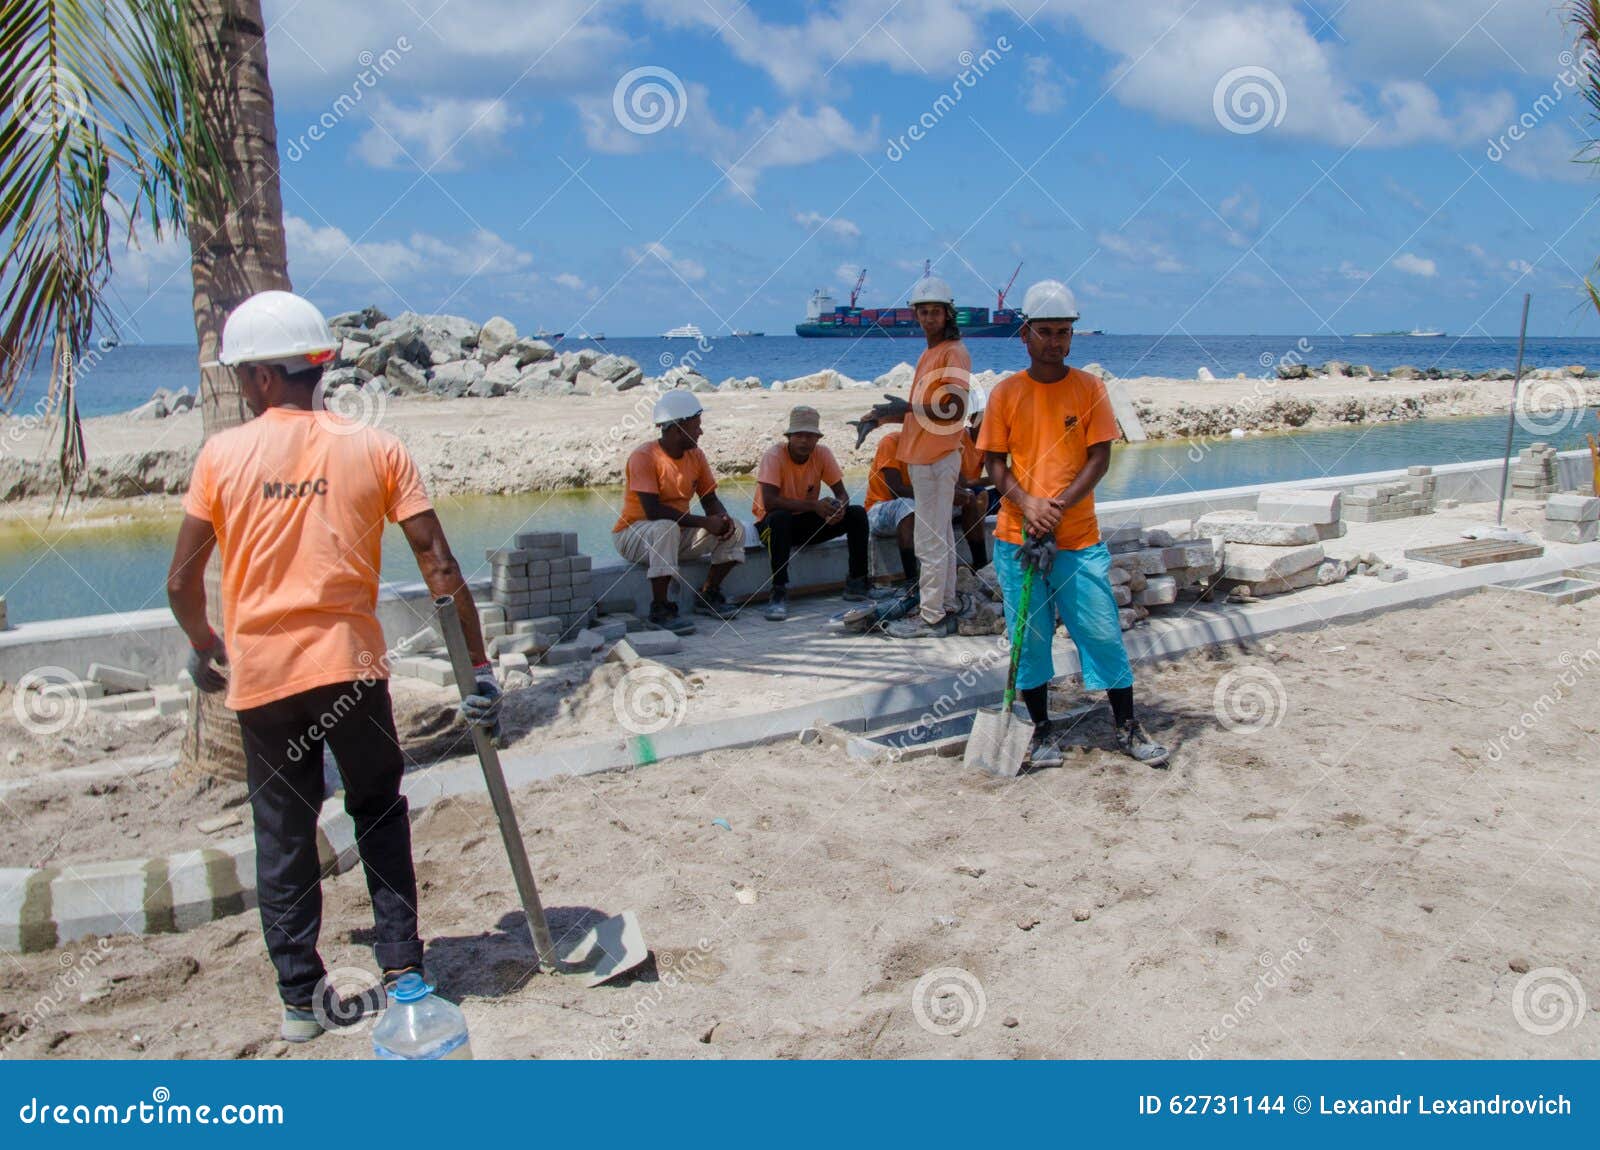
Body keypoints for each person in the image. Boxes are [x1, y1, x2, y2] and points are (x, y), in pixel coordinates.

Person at [165, 290, 501, 1044]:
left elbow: (182, 580)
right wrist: (476, 667)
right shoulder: (374, 447)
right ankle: (403, 970)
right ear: (320, 365)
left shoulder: (221, 456)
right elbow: (440, 564)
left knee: (283, 831)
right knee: (377, 811)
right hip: (350, 670)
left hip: (265, 679)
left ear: (256, 377)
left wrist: (203, 646)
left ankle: (298, 999)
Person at [977, 280, 1169, 768]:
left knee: (1102, 632)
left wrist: (1055, 505)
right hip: (1018, 541)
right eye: (1046, 332)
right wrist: (1026, 503)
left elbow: (1099, 457)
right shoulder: (1005, 393)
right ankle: (1041, 733)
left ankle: (1126, 727)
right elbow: (994, 464)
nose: (1056, 342)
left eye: (1064, 332)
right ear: (1025, 334)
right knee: (1032, 640)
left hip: (1078, 539)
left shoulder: (1089, 389)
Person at [878, 273, 971, 638]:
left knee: (929, 538)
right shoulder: (931, 352)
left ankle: (930, 617)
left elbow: (953, 405)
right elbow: (921, 408)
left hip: (937, 455)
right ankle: (943, 605)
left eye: (935, 311)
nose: (929, 318)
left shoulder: (953, 353)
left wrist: (910, 407)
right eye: (923, 311)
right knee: (941, 535)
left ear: (948, 314)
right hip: (924, 455)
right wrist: (880, 417)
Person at [612, 389, 745, 634]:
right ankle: (660, 608)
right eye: (696, 427)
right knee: (665, 527)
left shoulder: (696, 455)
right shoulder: (644, 456)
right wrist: (705, 522)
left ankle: (708, 594)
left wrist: (722, 520)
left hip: (675, 534)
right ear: (677, 429)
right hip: (634, 535)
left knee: (736, 528)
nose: (701, 432)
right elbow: (653, 511)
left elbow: (710, 498)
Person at [753, 406, 870, 621]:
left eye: (810, 436)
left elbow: (842, 493)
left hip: (804, 523)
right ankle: (778, 591)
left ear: (817, 438)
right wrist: (815, 506)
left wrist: (838, 509)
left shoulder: (822, 453)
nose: (805, 441)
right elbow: (770, 503)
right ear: (789, 437)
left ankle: (858, 581)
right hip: (771, 527)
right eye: (799, 435)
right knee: (780, 518)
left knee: (857, 514)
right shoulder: (774, 456)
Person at [864, 424, 990, 584]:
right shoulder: (891, 442)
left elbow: (952, 481)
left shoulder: (934, 446)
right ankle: (911, 581)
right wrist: (942, 492)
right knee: (908, 507)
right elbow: (896, 489)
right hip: (881, 508)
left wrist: (956, 492)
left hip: (923, 503)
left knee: (970, 498)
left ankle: (980, 566)